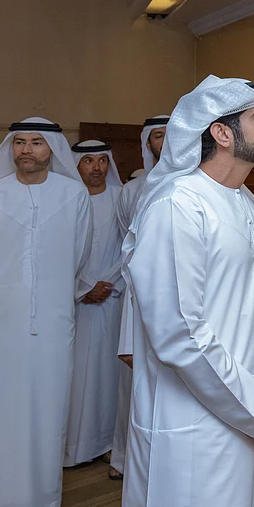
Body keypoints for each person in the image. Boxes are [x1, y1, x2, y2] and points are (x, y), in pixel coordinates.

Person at [121, 77, 254, 507]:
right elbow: (181, 332)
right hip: (195, 426)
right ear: (222, 133)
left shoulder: (253, 207)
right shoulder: (176, 205)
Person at [0, 118, 93, 507]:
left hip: (51, 327)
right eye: (19, 142)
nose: (27, 150)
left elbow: (79, 257)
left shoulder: (74, 196)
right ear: (9, 148)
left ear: (52, 148)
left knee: (46, 415)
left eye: (36, 142)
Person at [63, 141, 126, 470]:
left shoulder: (120, 198)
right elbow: (55, 253)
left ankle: (106, 443)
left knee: (109, 374)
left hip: (113, 299)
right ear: (76, 165)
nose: (96, 167)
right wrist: (83, 287)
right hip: (74, 304)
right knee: (76, 374)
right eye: (88, 160)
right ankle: (73, 445)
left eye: (103, 160)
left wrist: (108, 283)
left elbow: (130, 248)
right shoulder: (65, 200)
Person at [111, 115, 166, 482]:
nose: (166, 141)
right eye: (159, 136)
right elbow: (127, 249)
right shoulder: (132, 191)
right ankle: (124, 458)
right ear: (148, 143)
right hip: (138, 297)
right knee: (134, 385)